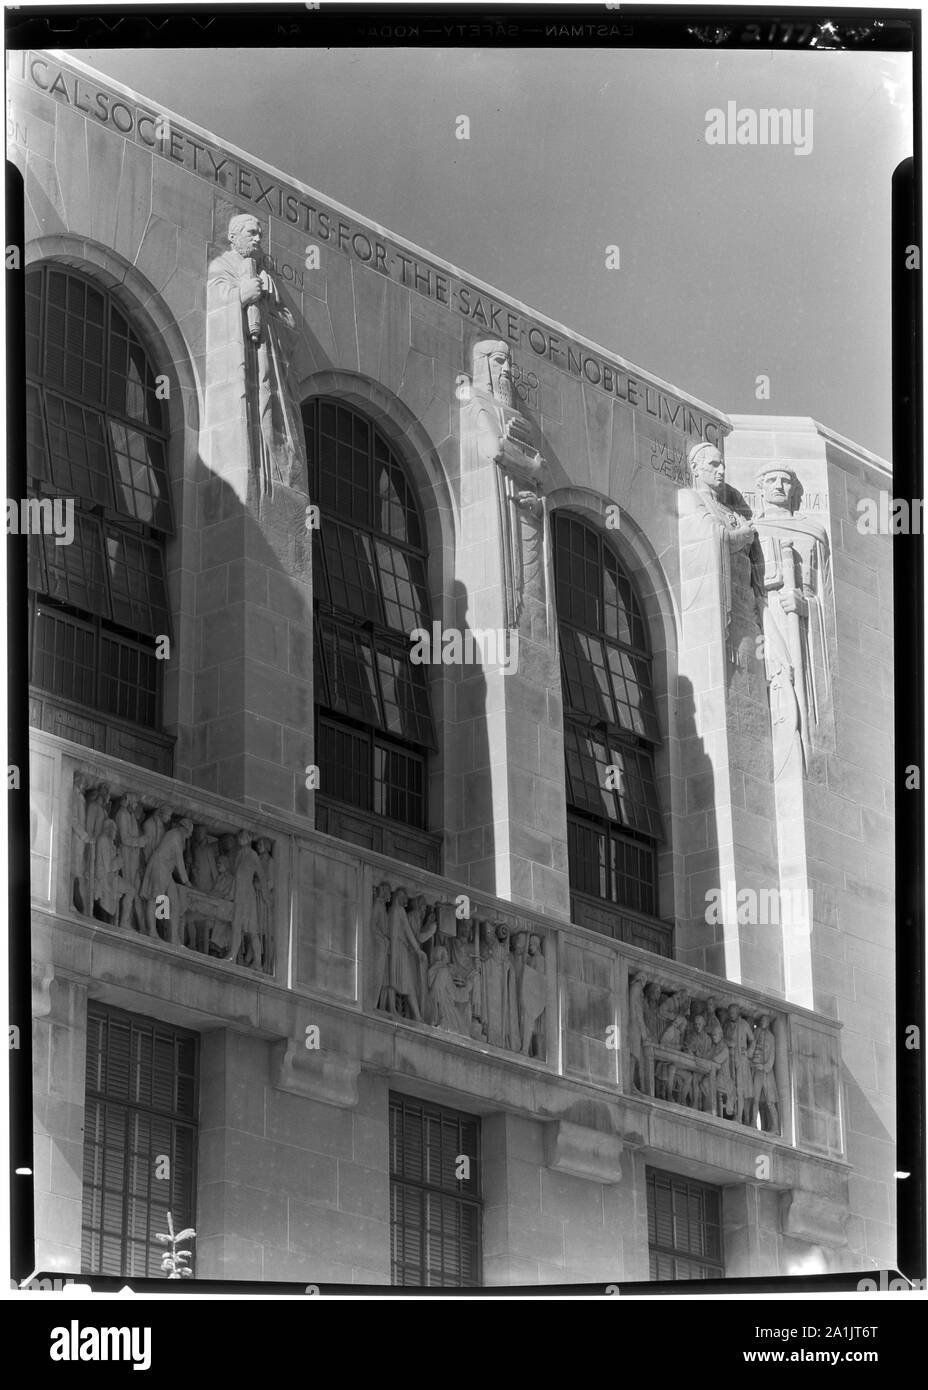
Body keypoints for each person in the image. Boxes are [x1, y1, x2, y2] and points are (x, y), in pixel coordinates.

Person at [206, 213, 307, 495]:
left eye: (260, 233)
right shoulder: (221, 267)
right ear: (233, 237)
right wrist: (240, 296)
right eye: (251, 232)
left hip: (269, 364)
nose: (257, 238)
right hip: (244, 369)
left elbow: (290, 328)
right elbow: (214, 308)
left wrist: (271, 303)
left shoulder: (266, 277)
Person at [139, 817, 192, 942]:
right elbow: (179, 860)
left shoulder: (176, 836)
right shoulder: (175, 836)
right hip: (159, 867)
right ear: (185, 829)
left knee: (174, 902)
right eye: (190, 833)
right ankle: (152, 930)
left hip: (166, 871)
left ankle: (173, 937)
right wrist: (186, 881)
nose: (189, 836)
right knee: (153, 898)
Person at [227, 830, 266, 967]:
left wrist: (266, 896)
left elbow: (261, 875)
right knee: (236, 926)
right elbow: (235, 876)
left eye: (242, 836)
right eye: (239, 836)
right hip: (238, 895)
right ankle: (232, 955)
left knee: (252, 931)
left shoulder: (253, 855)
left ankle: (258, 961)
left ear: (248, 839)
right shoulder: (239, 854)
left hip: (248, 897)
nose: (239, 838)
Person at [750, 1014, 780, 1133]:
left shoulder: (771, 1037)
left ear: (768, 1023)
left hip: (766, 1073)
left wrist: (765, 1066)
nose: (763, 1022)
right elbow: (752, 1047)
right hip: (757, 1071)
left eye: (765, 1020)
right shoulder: (756, 1032)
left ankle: (775, 1127)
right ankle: (753, 1123)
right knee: (755, 1098)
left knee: (770, 1101)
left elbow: (772, 1055)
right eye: (761, 1020)